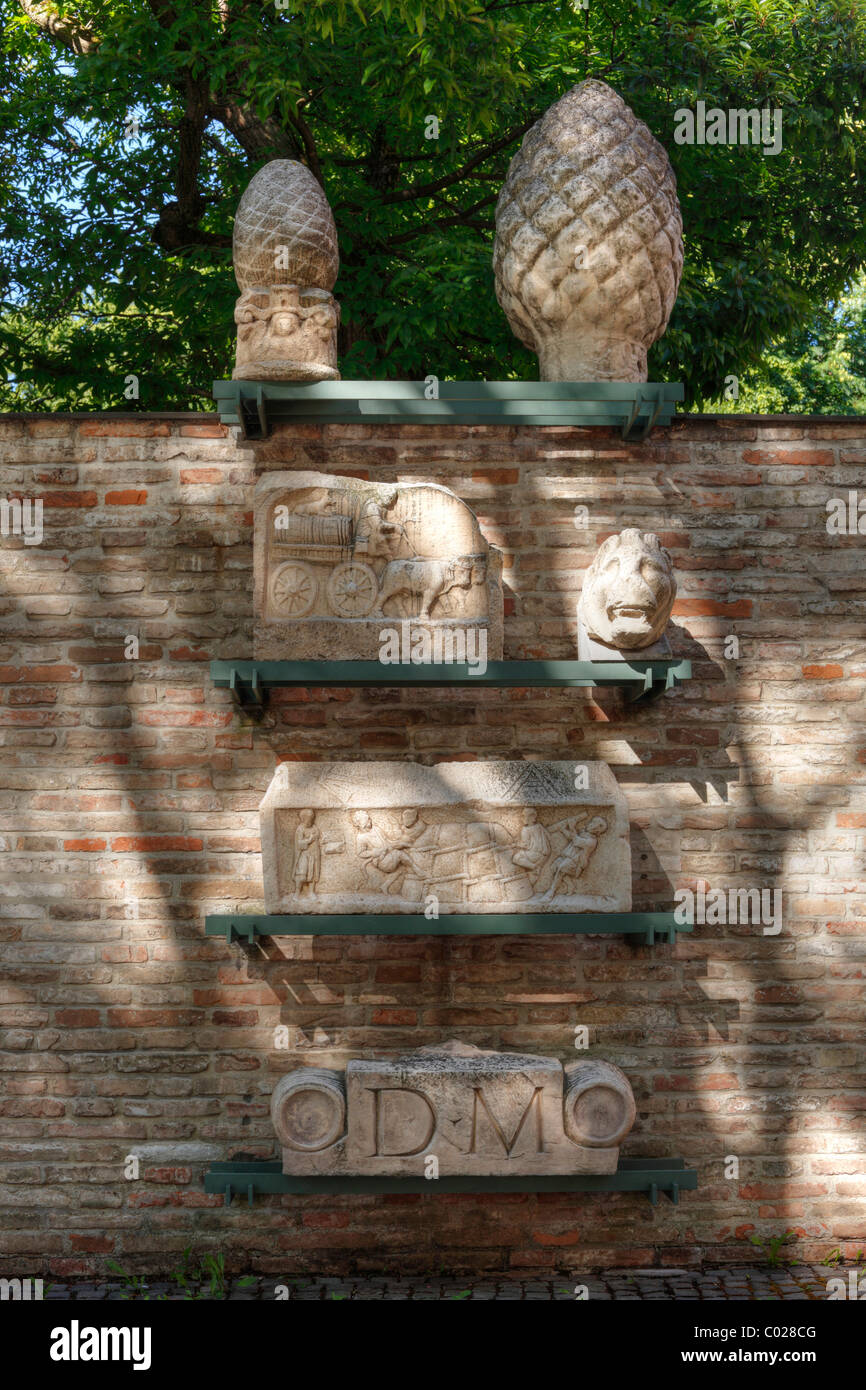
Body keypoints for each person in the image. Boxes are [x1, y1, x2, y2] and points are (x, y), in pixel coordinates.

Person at [292, 809, 321, 896]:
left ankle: (311, 892)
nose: (310, 820)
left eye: (312, 818)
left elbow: (317, 835)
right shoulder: (300, 829)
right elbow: (299, 843)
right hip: (304, 854)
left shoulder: (314, 827)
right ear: (303, 819)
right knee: (302, 874)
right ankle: (297, 892)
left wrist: (316, 838)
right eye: (308, 818)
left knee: (312, 874)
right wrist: (309, 840)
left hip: (314, 853)